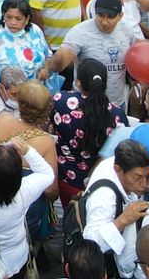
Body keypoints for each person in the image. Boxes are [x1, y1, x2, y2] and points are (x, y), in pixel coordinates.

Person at [81, 138, 149, 279]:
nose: (145, 184)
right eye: (138, 177)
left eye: (147, 176)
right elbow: (92, 243)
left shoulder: (113, 163)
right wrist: (124, 220)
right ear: (118, 170)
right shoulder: (104, 197)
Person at [55, 57, 127, 203]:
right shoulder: (117, 115)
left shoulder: (61, 101)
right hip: (99, 184)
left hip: (63, 180)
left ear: (78, 82)